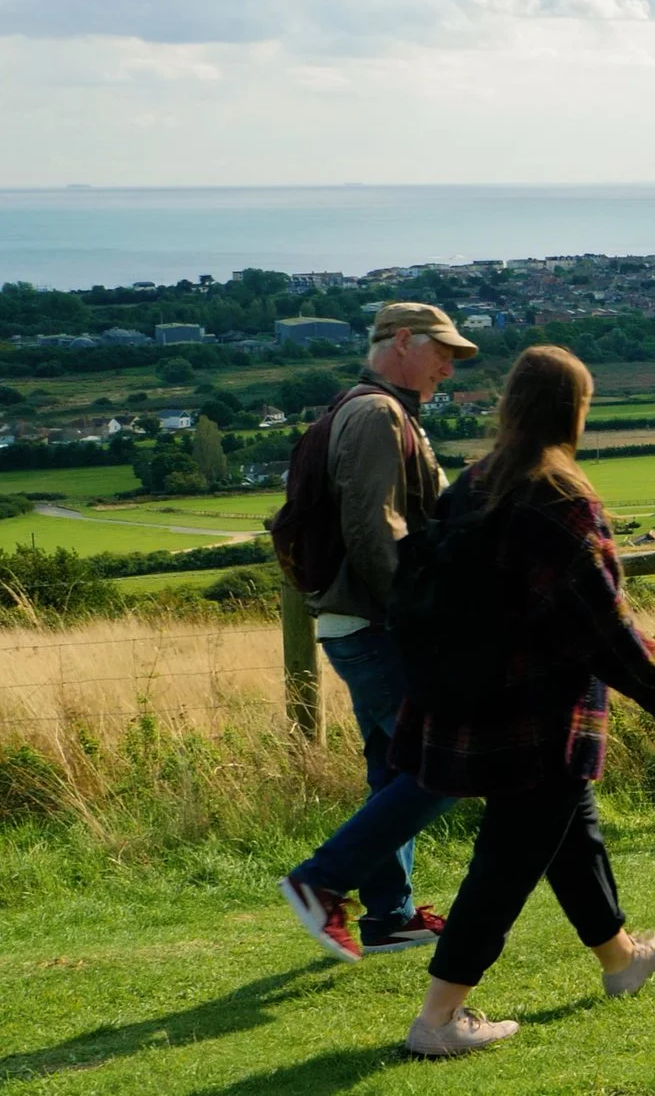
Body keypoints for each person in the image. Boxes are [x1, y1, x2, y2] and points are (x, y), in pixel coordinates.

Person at [394, 345, 655, 1058]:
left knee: (569, 829)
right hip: (539, 716)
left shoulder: (478, 482)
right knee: (508, 860)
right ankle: (437, 1020)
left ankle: (622, 963)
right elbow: (600, 616)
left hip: (474, 701)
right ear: (574, 411)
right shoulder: (560, 497)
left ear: (512, 405)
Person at [278, 303, 477, 963]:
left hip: (357, 620)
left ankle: (389, 917)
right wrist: (415, 617)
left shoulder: (364, 409)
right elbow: (372, 525)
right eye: (442, 351)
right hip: (377, 624)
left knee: (392, 768)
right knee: (445, 762)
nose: (450, 366)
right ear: (400, 342)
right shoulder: (377, 416)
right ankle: (321, 882)